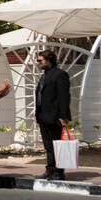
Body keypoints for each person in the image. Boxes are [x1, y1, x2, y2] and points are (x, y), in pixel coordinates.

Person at [33, 49, 71, 180]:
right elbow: (40, 96)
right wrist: (37, 113)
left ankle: (58, 172)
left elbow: (64, 97)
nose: (38, 63)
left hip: (55, 116)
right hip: (43, 116)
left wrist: (63, 116)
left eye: (40, 60)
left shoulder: (60, 75)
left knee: (57, 145)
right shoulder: (44, 76)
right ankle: (50, 169)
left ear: (49, 60)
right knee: (48, 145)